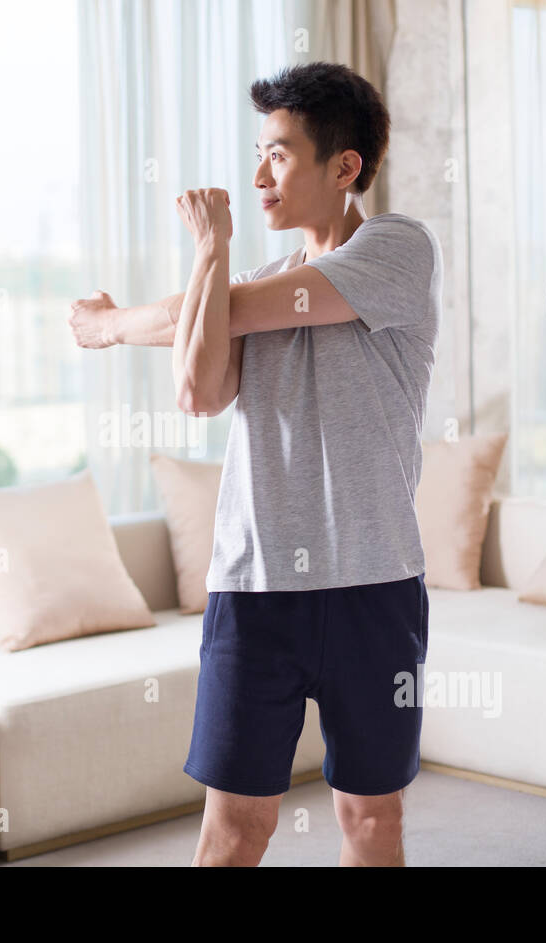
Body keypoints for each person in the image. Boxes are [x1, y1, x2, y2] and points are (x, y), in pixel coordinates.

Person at [68, 61, 441, 867]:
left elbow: (227, 312)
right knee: (236, 827)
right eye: (258, 153)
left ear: (344, 168)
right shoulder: (251, 279)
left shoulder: (398, 249)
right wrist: (213, 251)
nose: (259, 175)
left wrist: (107, 326)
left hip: (373, 586)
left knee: (372, 821)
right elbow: (199, 391)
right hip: (254, 589)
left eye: (278, 154)